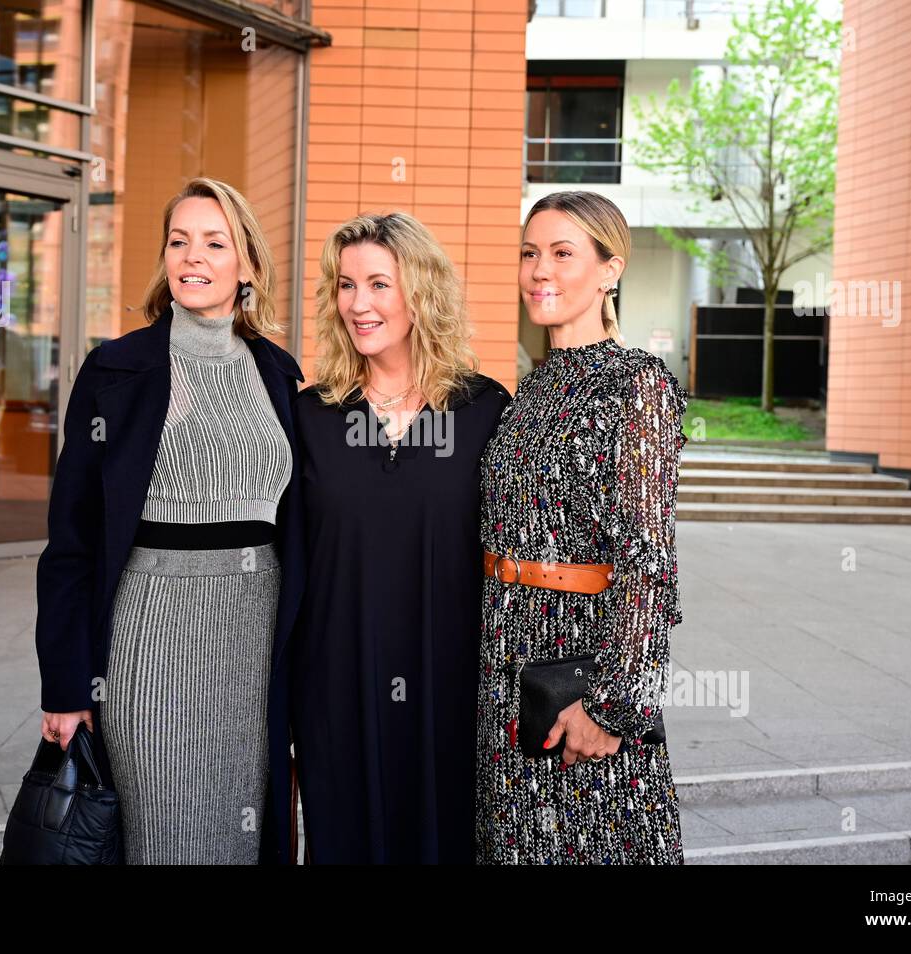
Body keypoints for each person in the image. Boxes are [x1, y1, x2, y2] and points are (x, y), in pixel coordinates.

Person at [33, 177, 306, 864]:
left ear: (245, 263)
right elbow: (71, 541)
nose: (193, 256)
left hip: (253, 639)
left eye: (215, 243)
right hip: (150, 634)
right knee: (162, 832)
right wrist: (67, 685)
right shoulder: (115, 369)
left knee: (243, 834)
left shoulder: (279, 372)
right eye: (179, 241)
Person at [291, 212, 511, 863]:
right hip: (336, 688)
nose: (359, 304)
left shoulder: (483, 411)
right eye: (346, 284)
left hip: (448, 689)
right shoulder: (311, 415)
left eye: (379, 284)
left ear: (421, 290)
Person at [477, 190, 689, 864]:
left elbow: (647, 557)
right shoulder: (531, 388)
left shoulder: (638, 383)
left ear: (609, 269)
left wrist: (614, 707)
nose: (540, 269)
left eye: (563, 253)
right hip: (505, 664)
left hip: (577, 675)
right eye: (530, 253)